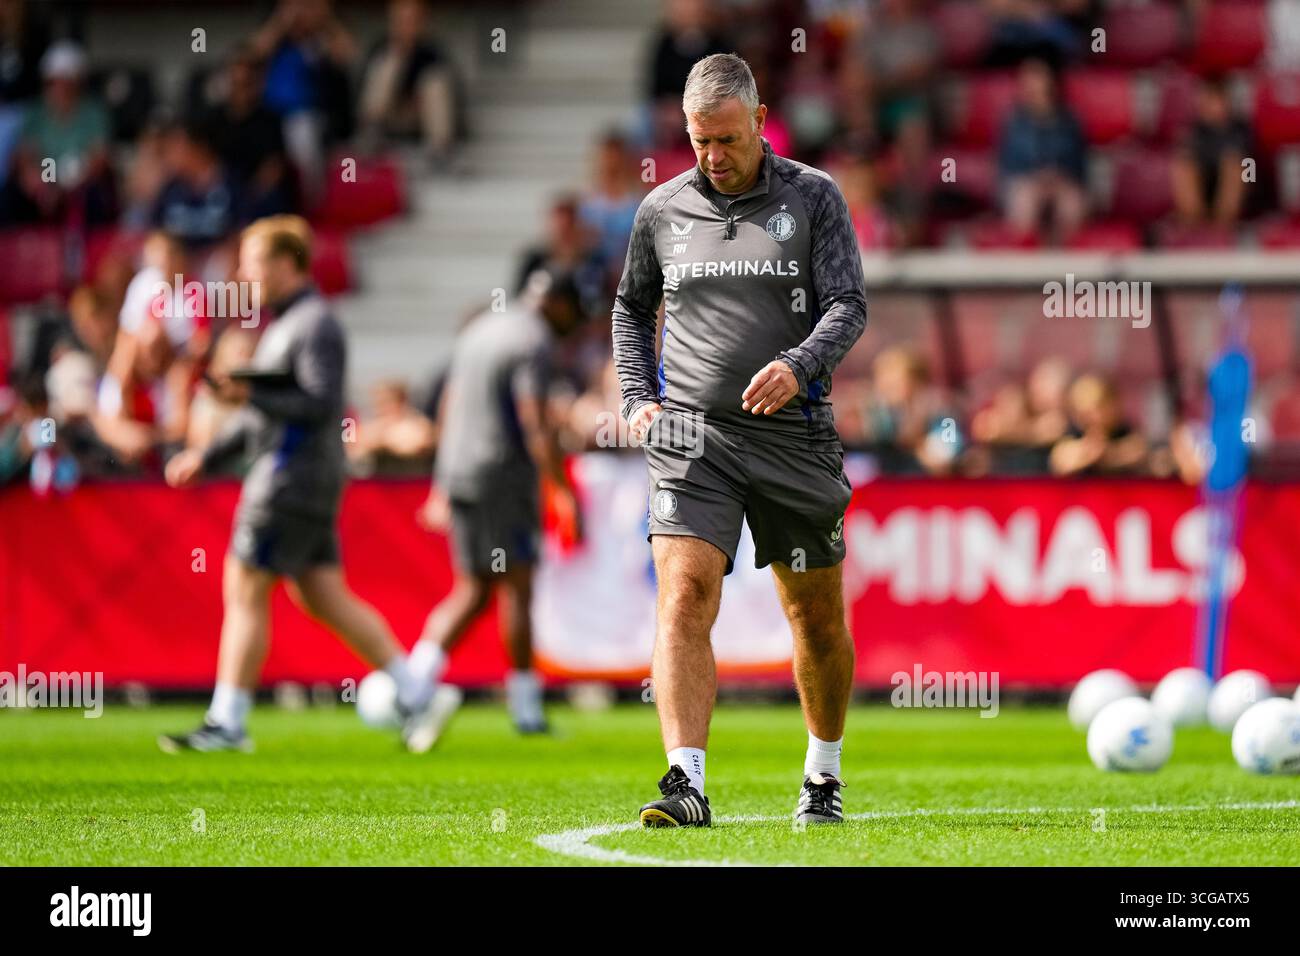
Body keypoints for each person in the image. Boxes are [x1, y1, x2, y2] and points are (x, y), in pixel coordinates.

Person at [611, 53, 867, 827]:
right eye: (698, 143)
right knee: (685, 594)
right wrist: (635, 397)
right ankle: (684, 781)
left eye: (726, 139)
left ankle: (822, 776)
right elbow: (630, 310)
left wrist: (800, 363)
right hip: (692, 437)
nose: (713, 158)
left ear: (759, 121)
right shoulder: (661, 210)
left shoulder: (814, 197)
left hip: (794, 439)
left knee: (814, 618)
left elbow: (849, 305)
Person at [158, 216, 436, 753]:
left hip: (289, 476)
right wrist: (208, 453)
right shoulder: (289, 325)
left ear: (287, 264)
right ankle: (417, 692)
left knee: (243, 583)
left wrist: (247, 395)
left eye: (253, 260)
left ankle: (228, 722)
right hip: (307, 476)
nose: (243, 271)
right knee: (322, 594)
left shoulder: (312, 324)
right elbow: (265, 413)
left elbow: (316, 404)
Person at [401, 266, 584, 750]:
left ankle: (413, 686)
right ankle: (524, 708)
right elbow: (534, 424)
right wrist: (561, 489)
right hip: (500, 476)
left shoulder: (482, 327)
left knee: (475, 589)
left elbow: (450, 406)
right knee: (517, 587)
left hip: (462, 471)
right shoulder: (533, 341)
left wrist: (442, 482)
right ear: (559, 305)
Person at [997, 58, 1087, 244]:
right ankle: (1026, 264)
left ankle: (1062, 264)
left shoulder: (1069, 121)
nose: (1030, 84)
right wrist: (1035, 178)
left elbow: (1079, 164)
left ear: (1050, 82)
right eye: (1026, 79)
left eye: (1036, 77)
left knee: (1070, 205)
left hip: (1061, 182)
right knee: (1025, 203)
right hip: (1025, 182)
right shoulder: (1013, 122)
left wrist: (1057, 177)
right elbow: (1007, 166)